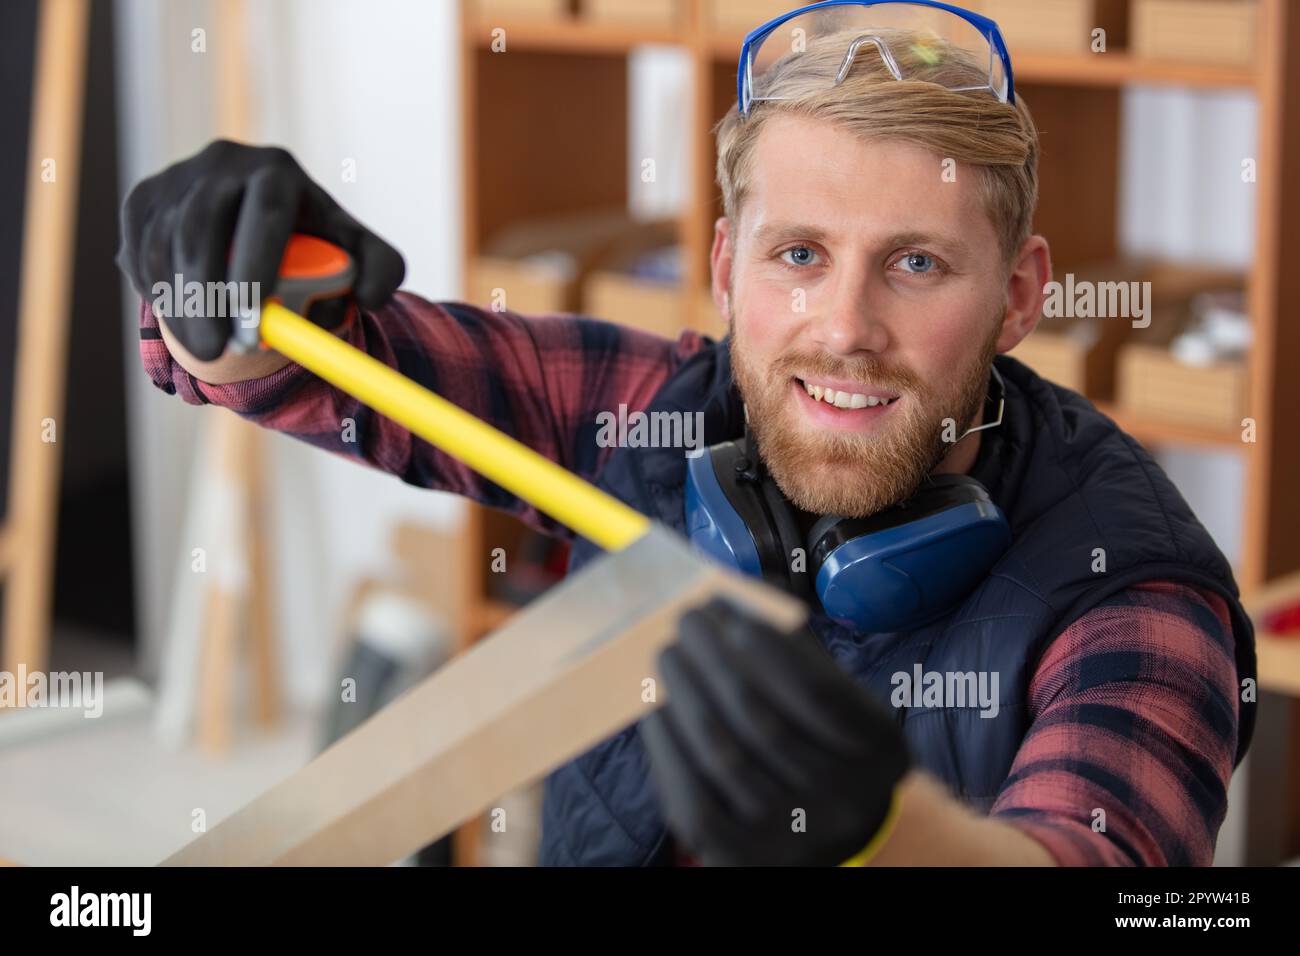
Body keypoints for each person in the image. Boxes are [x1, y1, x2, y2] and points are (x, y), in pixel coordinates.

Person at [117, 7, 1255, 867]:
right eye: (797, 254)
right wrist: (215, 297)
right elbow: (341, 367)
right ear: (722, 269)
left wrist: (888, 834)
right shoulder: (659, 413)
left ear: (1017, 295)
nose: (845, 330)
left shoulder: (1131, 589)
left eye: (916, 263)